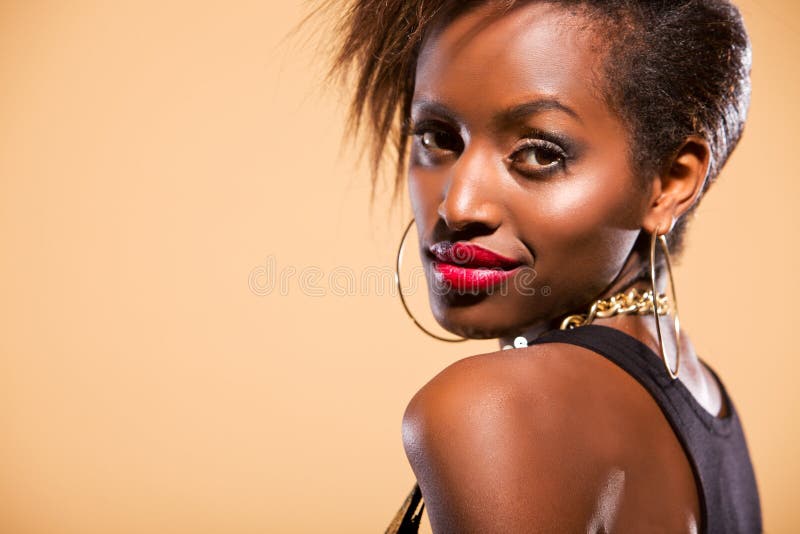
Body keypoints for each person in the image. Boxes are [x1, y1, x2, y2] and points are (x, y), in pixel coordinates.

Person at [323, 0, 762, 532]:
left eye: (538, 153)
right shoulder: (702, 397)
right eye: (437, 138)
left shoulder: (494, 410)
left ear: (670, 180)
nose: (458, 206)